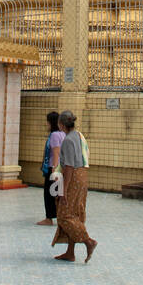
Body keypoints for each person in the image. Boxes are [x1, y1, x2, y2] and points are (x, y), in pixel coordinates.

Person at [51, 110, 97, 263]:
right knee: (75, 213)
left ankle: (88, 241)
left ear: (61, 124)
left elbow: (69, 167)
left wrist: (63, 190)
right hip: (82, 175)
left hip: (74, 178)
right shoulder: (78, 135)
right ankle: (70, 252)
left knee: (65, 215)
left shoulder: (68, 140)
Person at [38, 110, 65, 226]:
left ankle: (49, 218)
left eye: (47, 122)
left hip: (53, 168)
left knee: (49, 195)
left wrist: (54, 170)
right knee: (59, 194)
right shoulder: (63, 134)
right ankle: (61, 217)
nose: (46, 124)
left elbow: (56, 152)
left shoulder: (54, 135)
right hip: (61, 168)